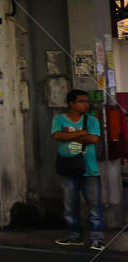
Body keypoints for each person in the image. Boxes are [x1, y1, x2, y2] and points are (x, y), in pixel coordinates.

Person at [52, 89, 104, 249]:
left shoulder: (91, 120)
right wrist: (80, 134)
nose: (86, 104)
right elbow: (56, 135)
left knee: (94, 206)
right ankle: (74, 236)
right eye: (82, 101)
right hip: (68, 168)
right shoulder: (59, 119)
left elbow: (93, 138)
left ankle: (97, 239)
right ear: (72, 103)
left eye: (87, 101)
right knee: (70, 206)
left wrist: (71, 136)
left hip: (89, 169)